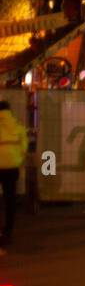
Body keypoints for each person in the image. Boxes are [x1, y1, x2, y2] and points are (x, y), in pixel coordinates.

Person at [0, 101, 27, 248]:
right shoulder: (18, 126)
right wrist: (17, 160)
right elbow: (24, 148)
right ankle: (8, 231)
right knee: (10, 199)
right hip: (12, 167)